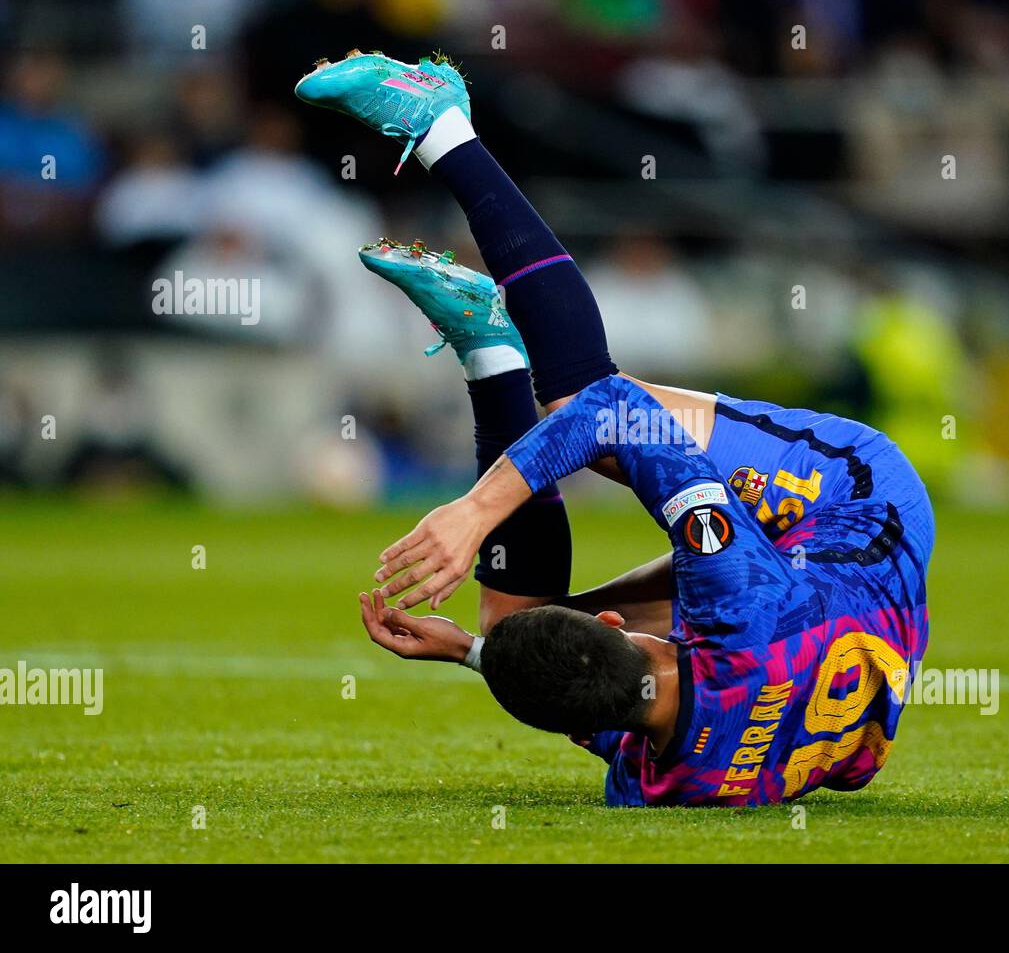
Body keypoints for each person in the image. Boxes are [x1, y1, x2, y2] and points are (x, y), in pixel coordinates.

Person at [297, 51, 934, 806]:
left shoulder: (676, 781)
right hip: (855, 505)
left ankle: (491, 350)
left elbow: (578, 692)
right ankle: (440, 123)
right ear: (614, 624)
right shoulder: (727, 602)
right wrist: (472, 515)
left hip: (809, 623)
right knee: (578, 401)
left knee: (516, 635)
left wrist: (475, 652)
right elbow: (617, 413)